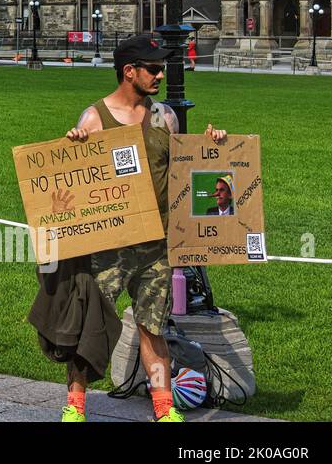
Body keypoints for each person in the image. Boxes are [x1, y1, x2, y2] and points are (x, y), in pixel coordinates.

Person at [61, 33, 227, 423]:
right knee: (91, 325)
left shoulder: (163, 117)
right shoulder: (94, 118)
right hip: (109, 245)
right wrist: (76, 143)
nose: (161, 75)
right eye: (152, 69)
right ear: (129, 71)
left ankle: (164, 408)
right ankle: (75, 405)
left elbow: (189, 170)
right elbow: (74, 184)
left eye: (161, 68)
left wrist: (215, 145)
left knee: (153, 327)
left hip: (157, 244)